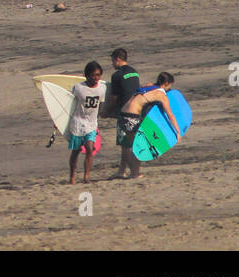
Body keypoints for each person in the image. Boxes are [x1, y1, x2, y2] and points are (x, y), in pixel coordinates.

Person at [117, 72, 182, 179]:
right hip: (131, 116)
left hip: (122, 113)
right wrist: (178, 131)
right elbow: (170, 114)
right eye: (169, 85)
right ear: (166, 83)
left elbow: (144, 89)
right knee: (139, 145)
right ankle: (135, 173)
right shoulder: (161, 94)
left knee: (130, 145)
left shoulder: (148, 86)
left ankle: (131, 172)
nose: (169, 88)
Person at [102, 48, 141, 178]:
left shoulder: (117, 76)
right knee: (131, 142)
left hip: (125, 112)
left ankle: (133, 173)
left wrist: (106, 111)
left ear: (117, 59)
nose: (112, 63)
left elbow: (114, 97)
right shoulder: (134, 72)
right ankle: (121, 170)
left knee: (125, 144)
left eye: (112, 60)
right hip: (137, 111)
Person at [67, 61, 107, 184]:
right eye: (94, 75)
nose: (96, 78)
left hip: (91, 124)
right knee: (76, 150)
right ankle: (72, 176)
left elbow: (101, 104)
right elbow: (69, 104)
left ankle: (86, 177)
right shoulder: (78, 88)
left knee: (90, 149)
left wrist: (98, 117)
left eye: (99, 75)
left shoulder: (102, 88)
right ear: (87, 75)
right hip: (78, 123)